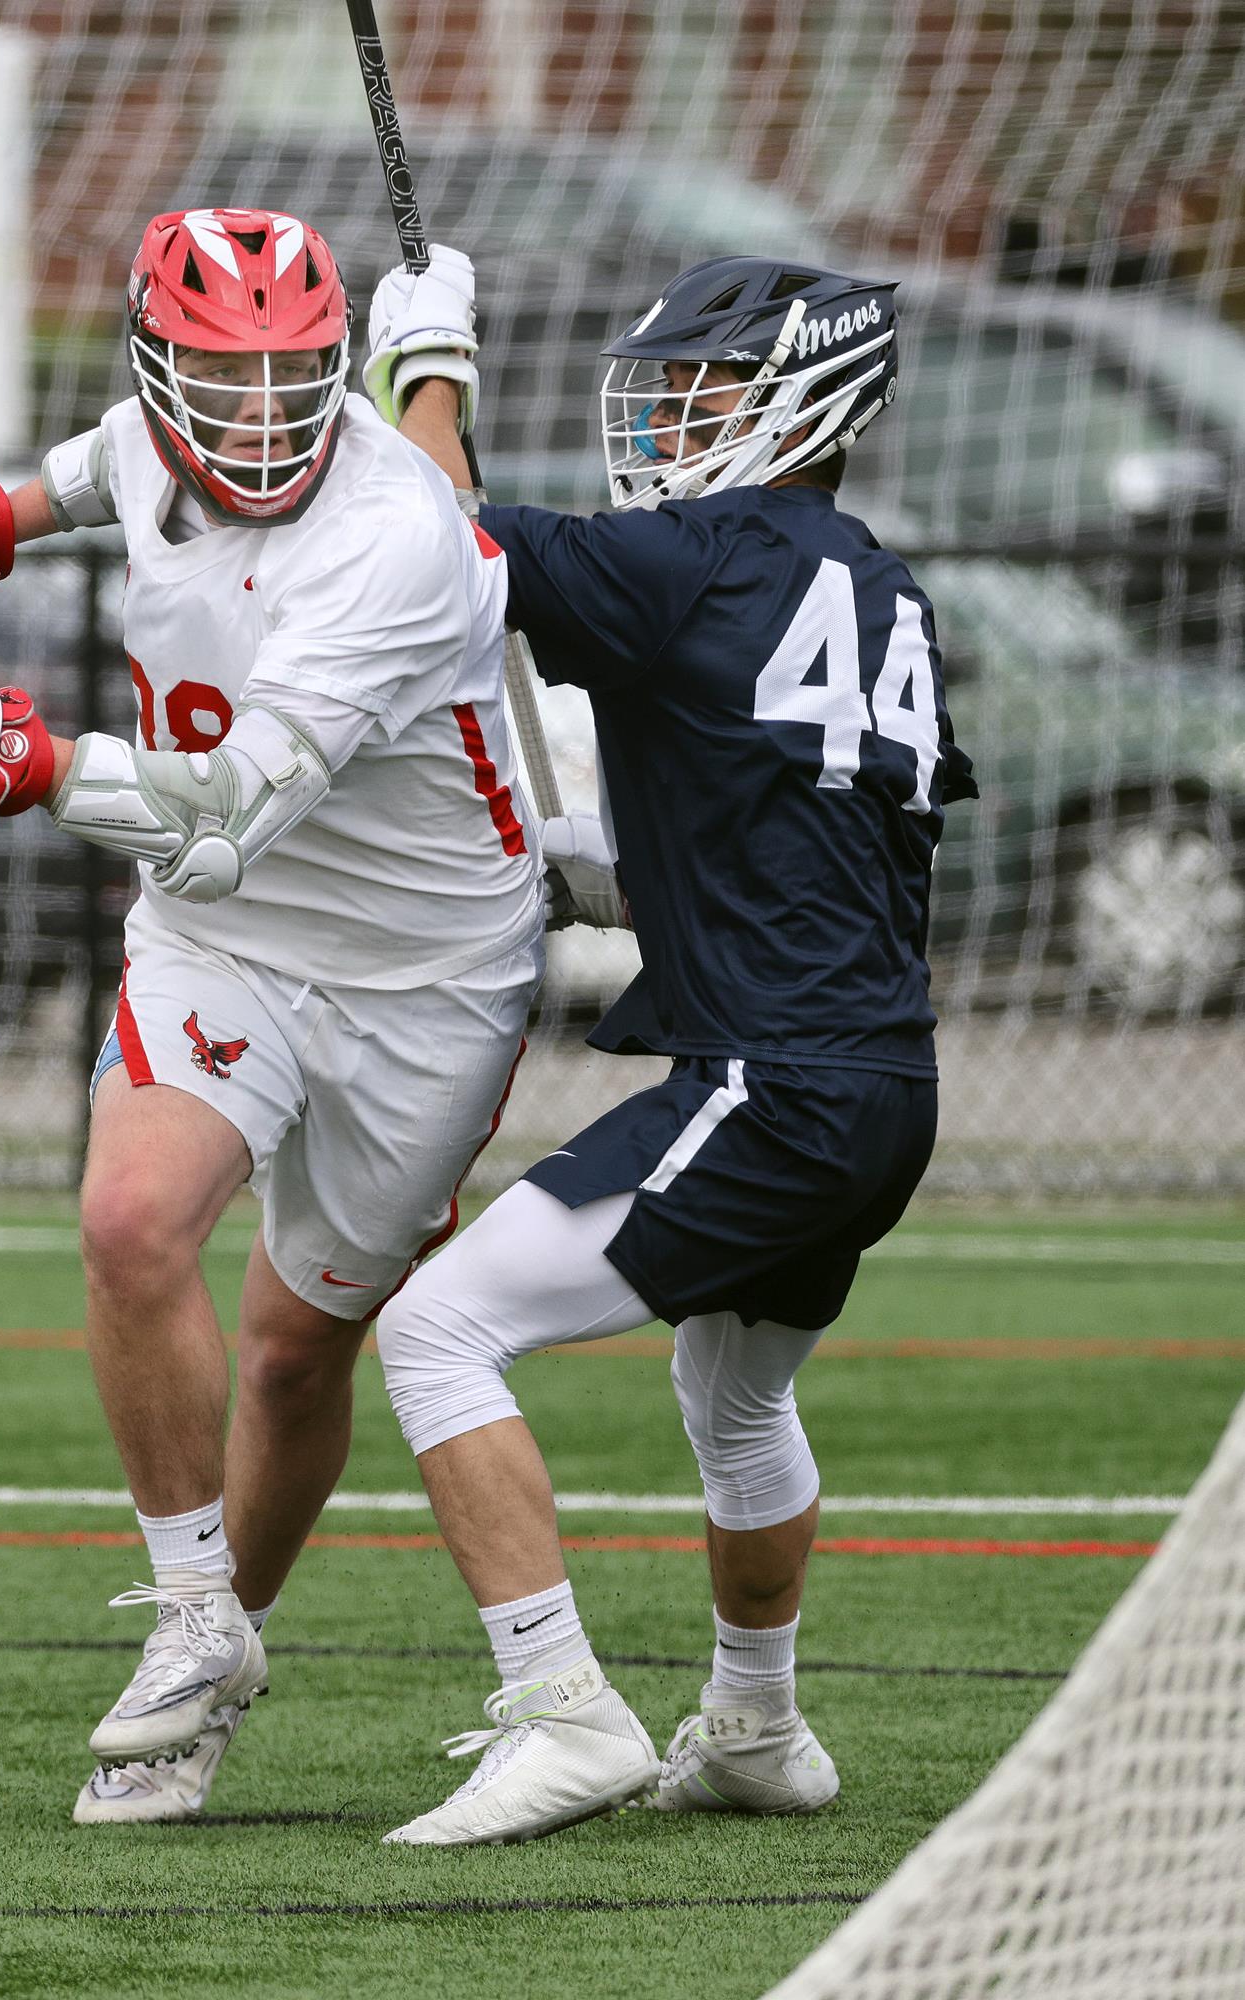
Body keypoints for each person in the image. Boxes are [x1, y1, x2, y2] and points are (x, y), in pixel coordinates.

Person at [0, 208, 554, 1823]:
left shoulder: (393, 537)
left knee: (293, 1354)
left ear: (336, 373)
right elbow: (40, 495)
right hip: (221, 941)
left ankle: (232, 1647)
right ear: (153, 366)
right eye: (219, 380)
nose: (257, 416)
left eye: (292, 382)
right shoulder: (142, 435)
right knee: (131, 1222)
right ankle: (191, 1622)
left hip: (419, 969)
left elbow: (223, 811)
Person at [360, 249, 977, 1846]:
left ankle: (566, 1712)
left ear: (800, 398)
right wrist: (605, 859)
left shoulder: (692, 561)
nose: (668, 423)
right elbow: (793, 833)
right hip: (881, 1085)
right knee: (737, 1398)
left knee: (434, 1334)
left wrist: (429, 360)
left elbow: (428, 534)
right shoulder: (877, 586)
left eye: (698, 390)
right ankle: (758, 1729)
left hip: (774, 1085)